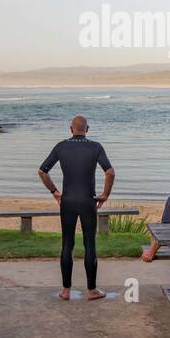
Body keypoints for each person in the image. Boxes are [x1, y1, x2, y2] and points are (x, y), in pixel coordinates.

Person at [38, 115, 114, 300]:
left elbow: (42, 171)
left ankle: (65, 290)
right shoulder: (95, 147)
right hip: (88, 201)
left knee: (67, 244)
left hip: (68, 201)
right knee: (90, 245)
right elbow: (110, 172)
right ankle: (92, 291)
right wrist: (105, 195)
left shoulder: (61, 146)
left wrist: (55, 192)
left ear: (71, 129)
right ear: (87, 129)